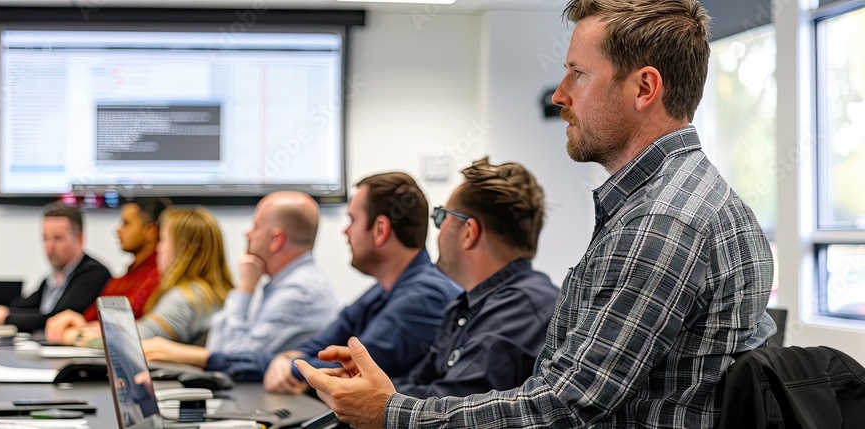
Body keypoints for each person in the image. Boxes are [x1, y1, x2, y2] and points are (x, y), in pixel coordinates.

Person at [295, 0, 778, 427]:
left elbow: (564, 407)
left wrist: (390, 413)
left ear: (644, 87)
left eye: (578, 73)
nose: (559, 95)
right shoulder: (681, 200)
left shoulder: (662, 223)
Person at [180, 173, 461, 395]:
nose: (345, 231)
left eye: (352, 219)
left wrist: (291, 365)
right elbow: (320, 345)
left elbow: (352, 369)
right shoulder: (384, 290)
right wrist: (295, 361)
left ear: (379, 230)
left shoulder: (424, 296)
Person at [385, 158, 559, 399]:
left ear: (469, 233)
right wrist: (365, 385)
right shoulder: (468, 306)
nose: (438, 230)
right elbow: (419, 384)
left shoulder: (518, 312)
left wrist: (374, 396)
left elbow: (451, 405)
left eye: (441, 218)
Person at [140, 192, 339, 364]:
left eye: (256, 226)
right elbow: (219, 349)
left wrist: (245, 288)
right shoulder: (283, 284)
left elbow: (234, 358)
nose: (247, 233)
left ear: (276, 240)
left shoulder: (298, 291)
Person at [56, 206, 234, 347]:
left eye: (163, 240)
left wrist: (73, 335)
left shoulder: (186, 297)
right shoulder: (213, 294)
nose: (158, 248)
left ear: (185, 249)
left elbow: (128, 342)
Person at [0, 203, 111, 332]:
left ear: (79, 238)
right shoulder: (52, 279)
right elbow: (26, 307)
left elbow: (53, 321)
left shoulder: (93, 274)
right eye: (45, 238)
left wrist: (2, 316)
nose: (50, 247)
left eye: (58, 238)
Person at [43, 198, 169, 341]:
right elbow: (94, 319)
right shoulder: (125, 277)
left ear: (150, 231)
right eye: (45, 238)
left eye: (126, 223)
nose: (117, 229)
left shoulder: (157, 279)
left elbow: (123, 327)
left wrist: (78, 332)